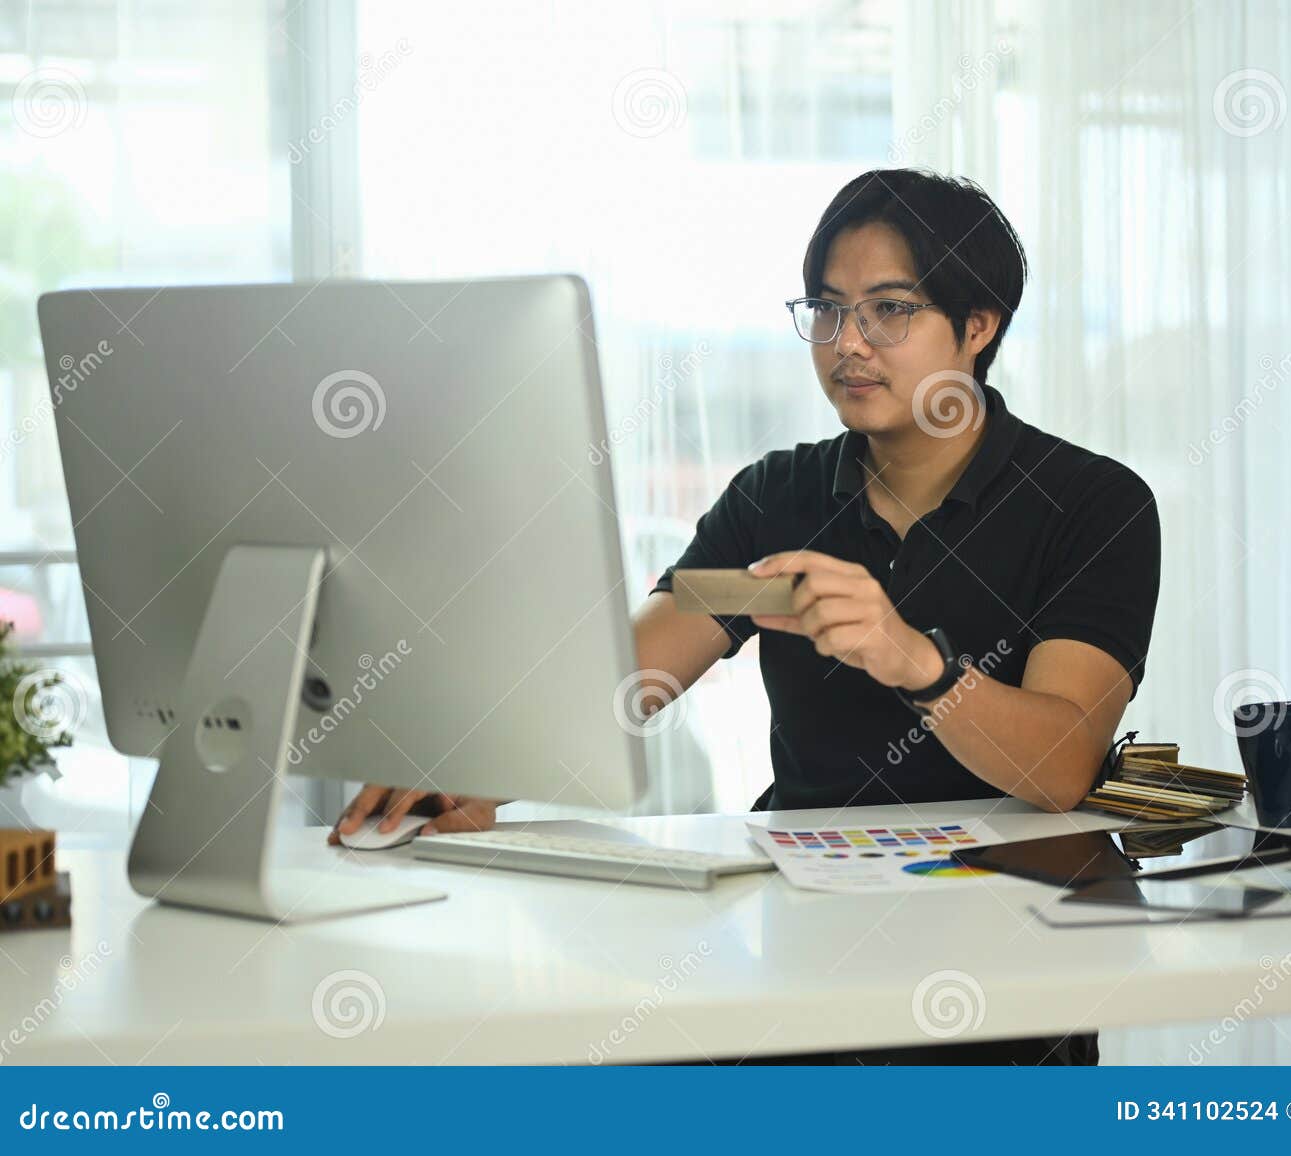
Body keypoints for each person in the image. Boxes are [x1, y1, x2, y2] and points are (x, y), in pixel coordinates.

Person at [333, 168, 1161, 1065]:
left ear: (978, 325)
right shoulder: (778, 496)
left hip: (1005, 950)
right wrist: (471, 767)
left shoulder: (1092, 503)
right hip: (800, 926)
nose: (849, 343)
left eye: (890, 310)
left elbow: (1062, 766)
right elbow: (626, 676)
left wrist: (913, 661)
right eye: (828, 309)